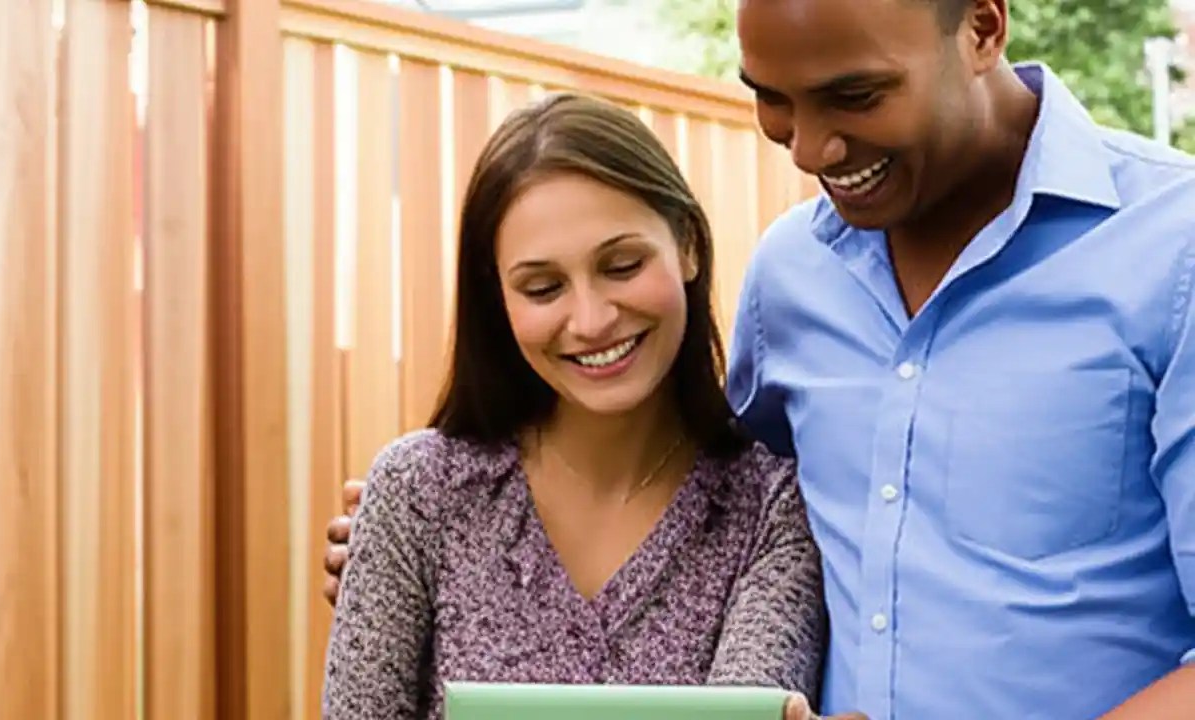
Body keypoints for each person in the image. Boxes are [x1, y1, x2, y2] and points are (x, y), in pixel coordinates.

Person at [327, 0, 1195, 717]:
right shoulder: (794, 275)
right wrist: (413, 528)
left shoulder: (1171, 248)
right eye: (773, 98)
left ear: (982, 26)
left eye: (854, 95)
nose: (810, 149)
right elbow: (703, 467)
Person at [320, 93, 845, 720]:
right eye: (543, 288)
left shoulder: (770, 508)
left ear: (687, 247)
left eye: (622, 265)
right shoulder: (417, 494)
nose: (592, 320)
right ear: (499, 299)